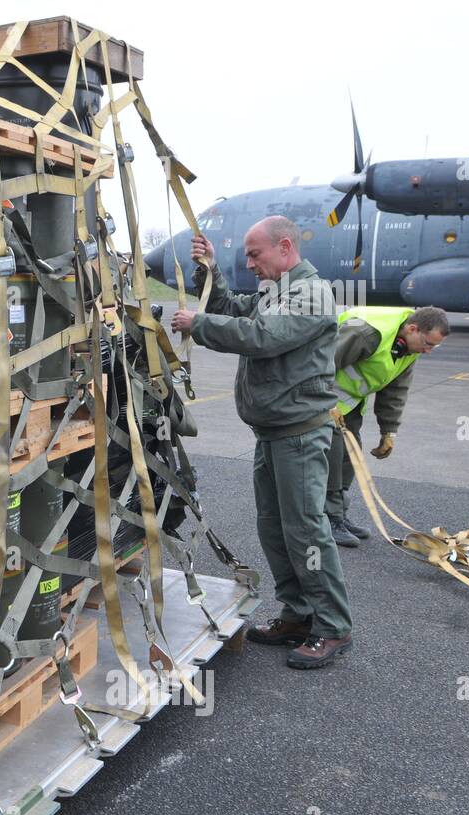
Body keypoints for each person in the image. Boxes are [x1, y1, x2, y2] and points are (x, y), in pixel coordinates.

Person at [170, 216, 352, 669]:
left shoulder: (310, 295)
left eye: (255, 255)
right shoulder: (279, 291)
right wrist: (209, 271)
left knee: (306, 530)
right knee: (275, 529)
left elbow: (263, 337)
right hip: (272, 433)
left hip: (300, 436)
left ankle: (331, 626)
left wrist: (199, 324)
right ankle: (297, 614)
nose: (250, 263)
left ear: (284, 247)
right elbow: (233, 306)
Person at [326, 305, 450, 546]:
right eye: (428, 344)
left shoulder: (409, 348)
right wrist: (324, 401)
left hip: (348, 405)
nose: (429, 351)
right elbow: (321, 363)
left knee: (351, 457)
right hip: (323, 400)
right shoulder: (367, 333)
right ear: (413, 329)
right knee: (333, 454)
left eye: (435, 346)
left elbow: (395, 391)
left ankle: (338, 513)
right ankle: (328, 519)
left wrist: (388, 431)